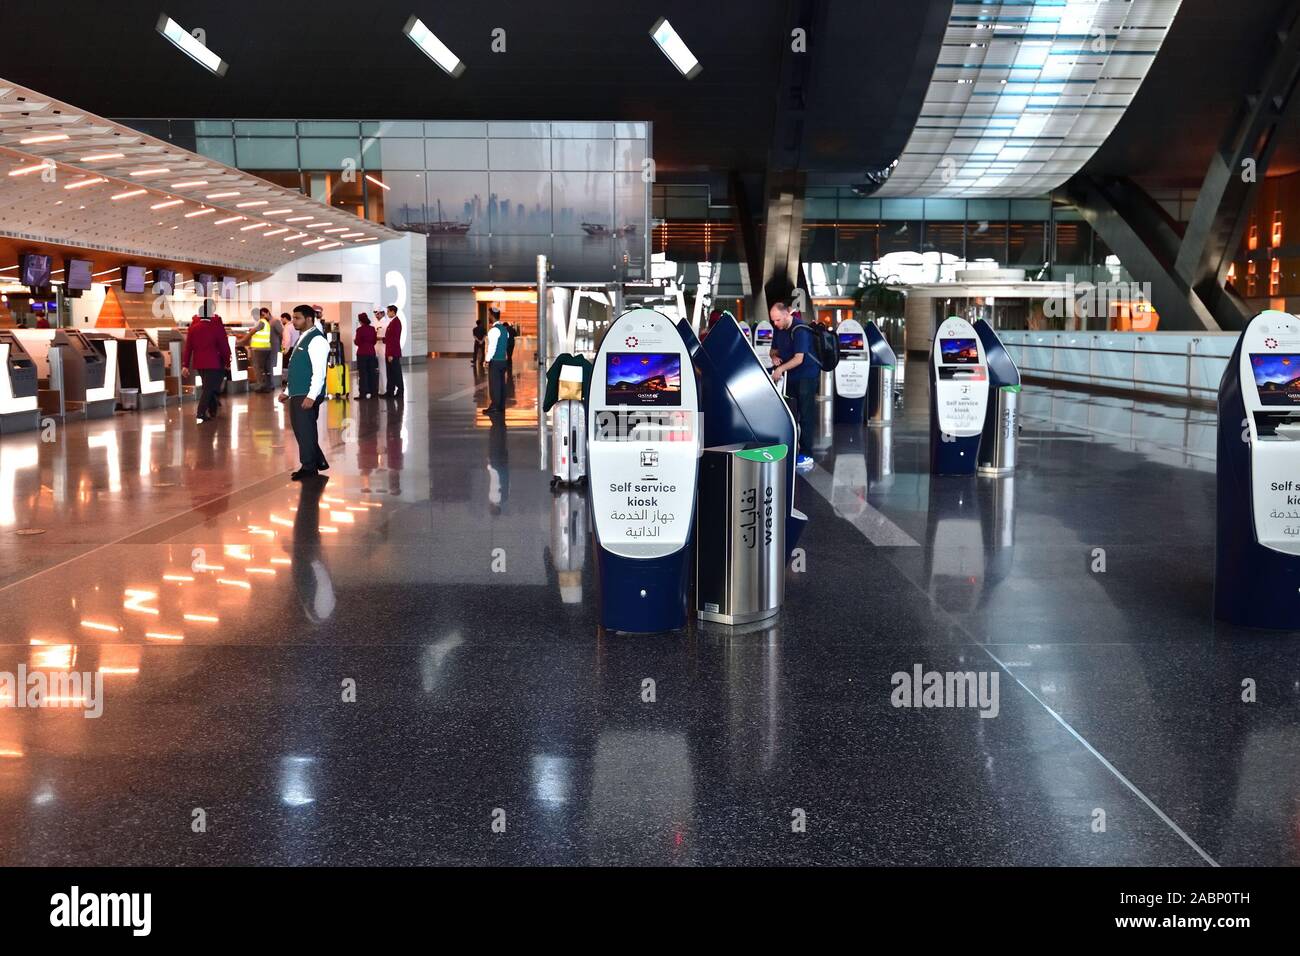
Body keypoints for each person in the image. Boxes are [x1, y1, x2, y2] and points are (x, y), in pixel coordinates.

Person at [279, 304, 330, 481]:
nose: (293, 321)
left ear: (309, 319)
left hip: (307, 392)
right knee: (302, 430)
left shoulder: (317, 340)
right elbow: (297, 368)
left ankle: (309, 467)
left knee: (305, 430)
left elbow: (319, 372)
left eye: (297, 318)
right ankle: (318, 460)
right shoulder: (303, 337)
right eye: (293, 317)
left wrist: (311, 395)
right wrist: (287, 391)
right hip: (298, 391)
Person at [769, 301, 818, 472]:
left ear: (786, 315)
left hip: (806, 376)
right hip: (790, 378)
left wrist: (780, 368)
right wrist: (775, 358)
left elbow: (799, 358)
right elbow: (773, 350)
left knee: (805, 415)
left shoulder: (800, 330)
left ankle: (806, 453)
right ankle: (791, 447)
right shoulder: (779, 329)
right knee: (790, 414)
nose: (775, 324)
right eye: (773, 321)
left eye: (777, 320)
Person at [181, 298, 231, 425]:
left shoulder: (193, 327)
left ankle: (212, 410)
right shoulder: (215, 326)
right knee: (210, 388)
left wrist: (185, 365)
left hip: (199, 363)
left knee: (209, 386)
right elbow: (224, 345)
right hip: (214, 362)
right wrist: (228, 362)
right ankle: (201, 412)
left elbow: (188, 347)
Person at [239, 307, 282, 393]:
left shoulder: (262, 322)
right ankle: (268, 385)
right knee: (266, 368)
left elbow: (253, 332)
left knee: (258, 368)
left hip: (260, 349)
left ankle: (260, 385)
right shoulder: (266, 322)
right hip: (266, 347)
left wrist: (242, 340)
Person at [482, 306, 508, 416]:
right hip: (503, 361)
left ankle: (495, 406)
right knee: (501, 384)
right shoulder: (504, 330)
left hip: (496, 361)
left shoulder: (493, 330)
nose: (488, 317)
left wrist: (487, 360)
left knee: (495, 385)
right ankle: (501, 406)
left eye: (489, 315)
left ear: (492, 316)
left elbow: (492, 347)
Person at [378, 304, 403, 400]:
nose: (387, 313)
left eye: (388, 311)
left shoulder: (396, 323)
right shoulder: (392, 322)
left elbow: (394, 339)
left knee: (396, 373)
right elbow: (389, 338)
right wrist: (382, 339)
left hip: (393, 353)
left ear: (393, 312)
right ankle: (390, 392)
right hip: (389, 351)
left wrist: (391, 354)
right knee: (390, 373)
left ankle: (400, 391)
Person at [355, 312, 379, 399]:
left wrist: (356, 341)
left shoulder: (359, 330)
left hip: (362, 354)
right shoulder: (372, 329)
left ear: (361, 321)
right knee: (372, 373)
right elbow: (374, 341)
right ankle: (374, 393)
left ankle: (363, 394)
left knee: (363, 374)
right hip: (371, 353)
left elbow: (357, 342)